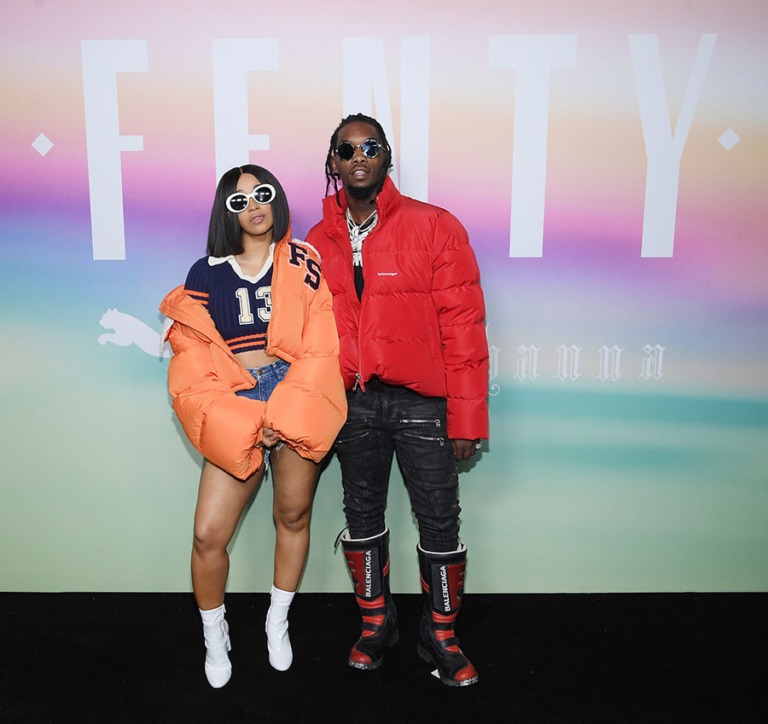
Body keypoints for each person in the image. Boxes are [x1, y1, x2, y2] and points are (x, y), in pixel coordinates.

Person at [306, 114, 489, 688]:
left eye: (371, 146)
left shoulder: (435, 226)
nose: (359, 155)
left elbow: (464, 328)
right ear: (332, 163)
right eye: (346, 148)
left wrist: (466, 417)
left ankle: (441, 635)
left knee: (439, 519)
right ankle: (375, 623)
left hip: (422, 406)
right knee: (361, 516)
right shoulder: (314, 240)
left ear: (388, 158)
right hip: (353, 407)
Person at [159, 165, 346, 688]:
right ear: (227, 211)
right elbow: (195, 357)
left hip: (296, 391)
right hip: (234, 397)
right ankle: (214, 636)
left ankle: (276, 622)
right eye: (239, 200)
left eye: (262, 194)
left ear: (276, 200)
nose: (254, 206)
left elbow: (321, 340)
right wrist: (243, 415)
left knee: (292, 514)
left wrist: (284, 412)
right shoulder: (206, 272)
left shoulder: (303, 260)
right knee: (206, 536)